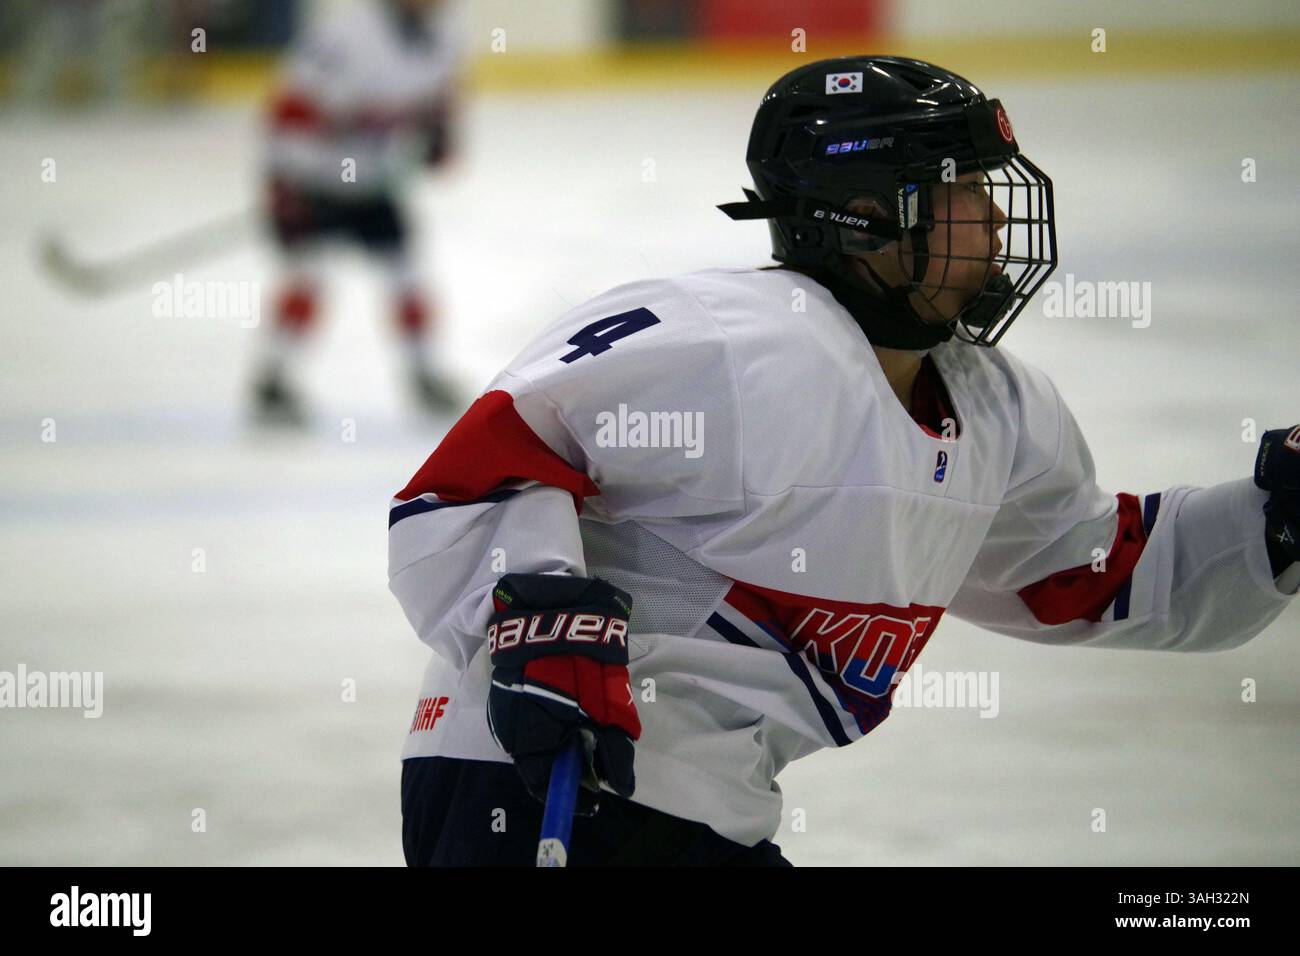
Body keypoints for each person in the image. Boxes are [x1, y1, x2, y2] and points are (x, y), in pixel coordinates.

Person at [388, 56, 1300, 866]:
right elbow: (482, 465)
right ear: (866, 219)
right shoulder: (730, 345)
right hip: (531, 776)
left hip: (705, 809)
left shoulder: (999, 410)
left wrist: (1279, 515)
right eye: (964, 190)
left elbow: (1094, 576)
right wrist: (529, 614)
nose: (991, 216)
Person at [253, 0, 463, 424]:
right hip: (315, 183)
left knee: (408, 277)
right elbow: (291, 107)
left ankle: (424, 374)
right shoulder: (343, 36)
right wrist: (284, 183)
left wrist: (439, 135)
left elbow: (439, 102)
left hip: (373, 183)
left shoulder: (444, 36)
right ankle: (273, 380)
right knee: (307, 279)